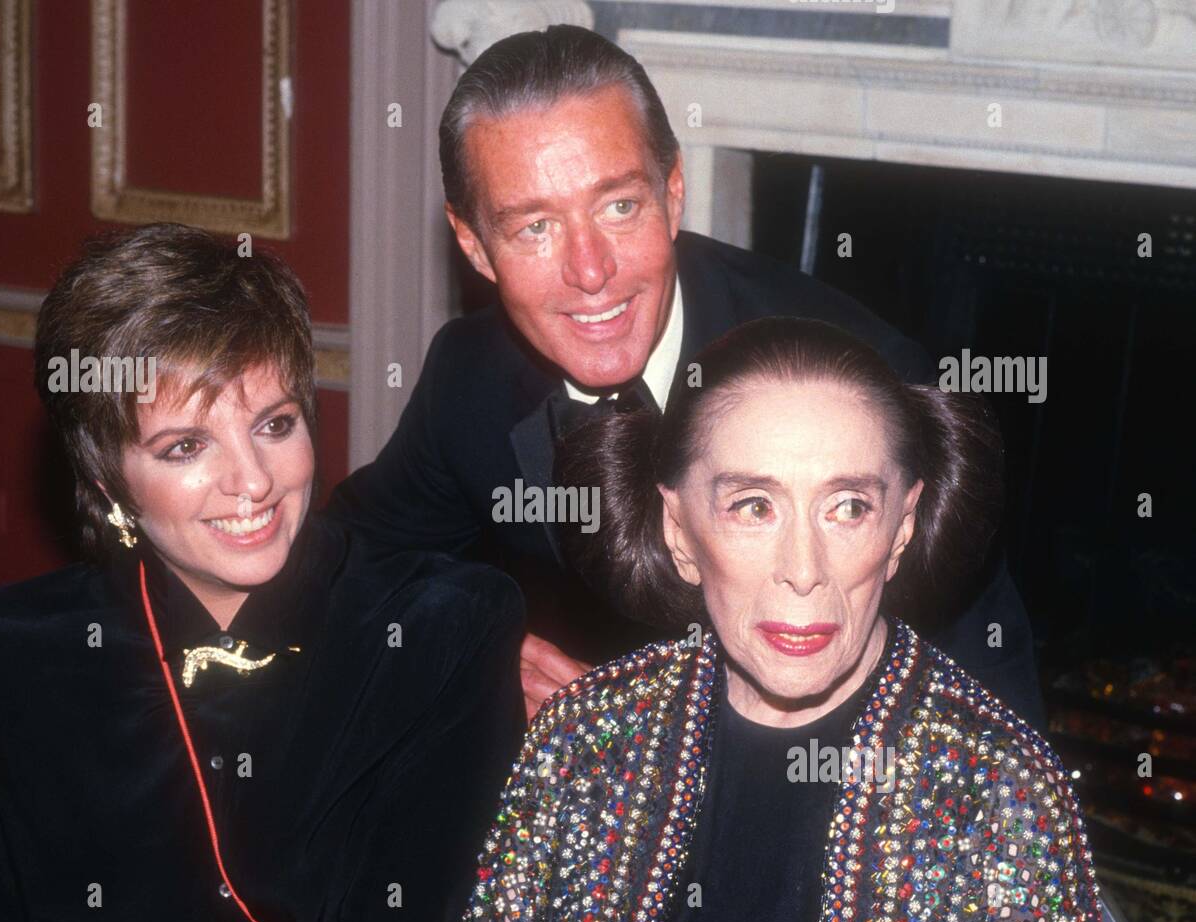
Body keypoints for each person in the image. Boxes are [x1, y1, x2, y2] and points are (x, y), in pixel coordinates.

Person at [328, 24, 1045, 729]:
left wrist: (657, 730)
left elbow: (986, 712)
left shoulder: (865, 389)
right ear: (474, 246)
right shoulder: (471, 375)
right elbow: (352, 556)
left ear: (674, 193)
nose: (590, 270)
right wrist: (480, 648)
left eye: (618, 206)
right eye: (534, 228)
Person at [0, 223, 523, 922]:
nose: (252, 482)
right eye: (187, 445)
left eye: (274, 423)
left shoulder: (442, 632)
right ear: (107, 477)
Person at [423, 317, 1102, 922]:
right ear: (679, 531)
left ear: (901, 529)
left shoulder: (997, 788)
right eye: (754, 506)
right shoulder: (584, 739)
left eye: (848, 507)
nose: (802, 570)